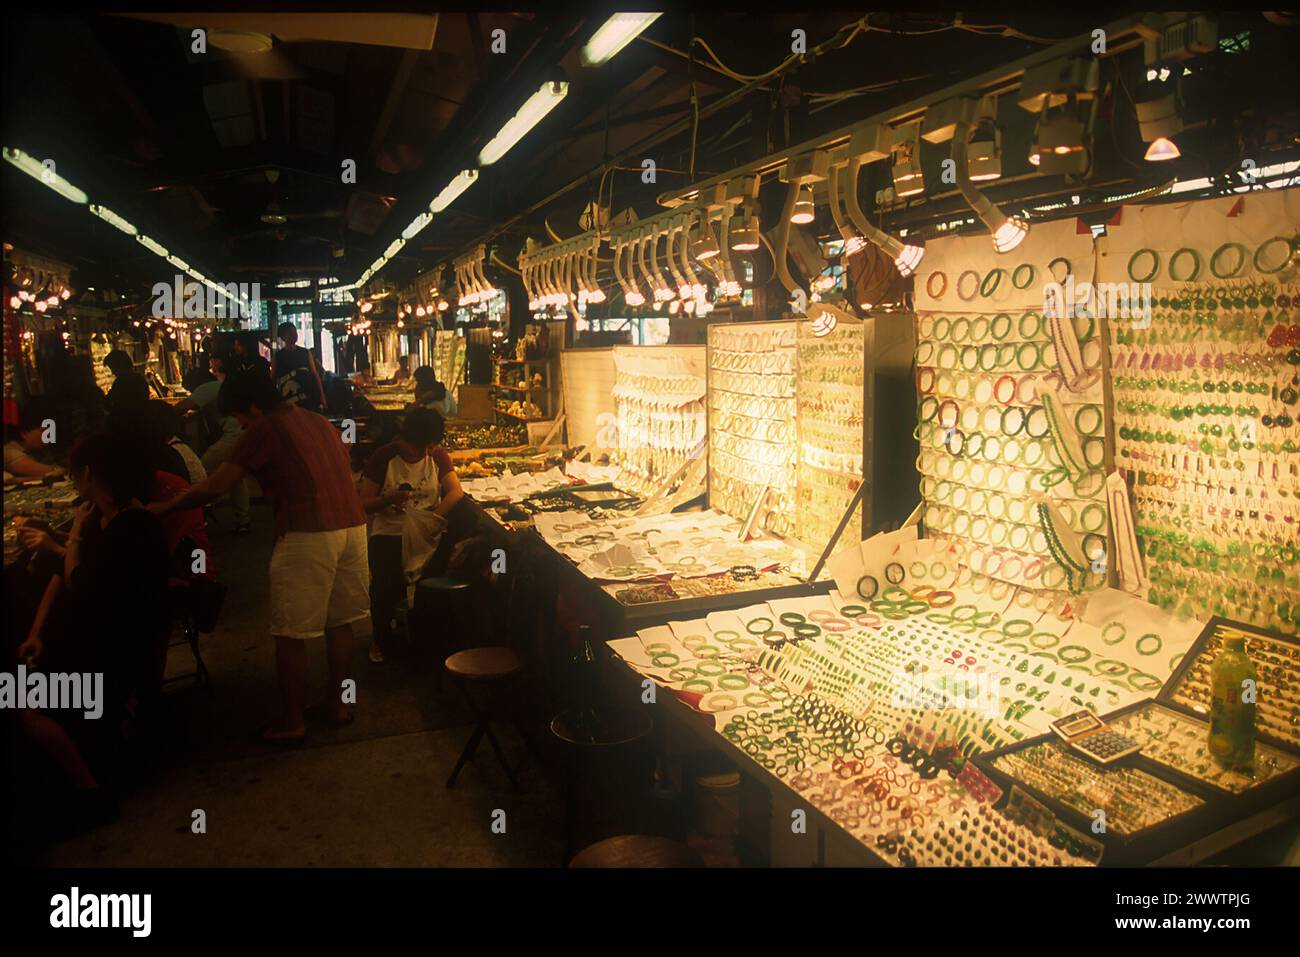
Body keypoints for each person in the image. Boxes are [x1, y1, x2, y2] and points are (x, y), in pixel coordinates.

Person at [149, 371, 369, 742]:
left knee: (290, 633)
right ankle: (338, 705)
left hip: (308, 532)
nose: (239, 424)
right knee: (340, 623)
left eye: (239, 416)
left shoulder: (265, 429)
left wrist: (165, 507)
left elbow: (218, 486)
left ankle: (292, 721)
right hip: (353, 527)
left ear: (252, 407)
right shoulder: (317, 420)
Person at [15, 433, 171, 829]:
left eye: (73, 474)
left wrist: (70, 539)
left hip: (108, 659)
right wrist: (35, 632)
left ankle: (89, 791)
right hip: (99, 646)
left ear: (88, 474)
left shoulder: (128, 527)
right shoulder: (115, 519)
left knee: (16, 702)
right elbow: (62, 576)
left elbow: (78, 578)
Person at [358, 407, 464, 663]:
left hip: (426, 535)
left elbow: (455, 492)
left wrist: (432, 519)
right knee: (386, 586)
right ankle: (381, 638)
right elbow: (362, 503)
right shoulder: (384, 457)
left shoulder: (437, 456)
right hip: (390, 532)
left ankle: (425, 638)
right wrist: (387, 499)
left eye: (431, 447)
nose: (427, 452)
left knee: (436, 579)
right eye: (423, 447)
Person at [178, 352, 252, 532]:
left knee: (201, 471)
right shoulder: (217, 385)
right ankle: (243, 519)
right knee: (235, 476)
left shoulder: (204, 389)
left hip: (233, 435)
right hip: (243, 432)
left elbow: (182, 408)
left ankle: (200, 515)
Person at [271, 322, 327, 413]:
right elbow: (273, 380)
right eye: (290, 334)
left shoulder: (305, 352)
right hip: (288, 400)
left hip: (308, 396)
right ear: (283, 337)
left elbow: (314, 375)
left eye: (295, 333)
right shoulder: (278, 356)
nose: (294, 336)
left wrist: (322, 396)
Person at [4, 401, 63, 479]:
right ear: (24, 434)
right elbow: (49, 471)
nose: (48, 437)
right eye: (43, 431)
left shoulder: (34, 451)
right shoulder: (9, 453)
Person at [102, 349, 150, 415]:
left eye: (113, 368)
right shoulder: (139, 379)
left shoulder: (121, 382)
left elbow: (109, 402)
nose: (113, 372)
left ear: (119, 366)